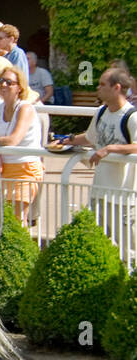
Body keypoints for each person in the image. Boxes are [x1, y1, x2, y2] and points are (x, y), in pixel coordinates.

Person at [50, 69, 137, 257]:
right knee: (97, 242)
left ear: (117, 88)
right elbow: (91, 138)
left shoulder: (132, 117)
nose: (98, 88)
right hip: (99, 191)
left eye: (102, 84)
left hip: (123, 195)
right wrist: (68, 140)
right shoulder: (101, 112)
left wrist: (109, 149)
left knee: (129, 250)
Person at [0, 65, 44, 224]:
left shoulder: (25, 108)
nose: (3, 85)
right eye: (1, 81)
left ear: (19, 87)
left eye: (9, 82)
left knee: (18, 219)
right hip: (4, 168)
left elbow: (13, 140)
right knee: (0, 218)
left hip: (25, 168)